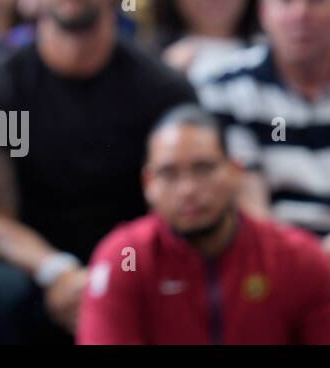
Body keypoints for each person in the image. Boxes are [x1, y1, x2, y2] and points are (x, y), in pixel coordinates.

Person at [0, 0, 196, 344]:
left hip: (136, 263)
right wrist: (57, 271)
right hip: (37, 269)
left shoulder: (162, 89)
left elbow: (179, 204)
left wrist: (110, 277)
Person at [79, 106, 330, 344]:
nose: (187, 189)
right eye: (169, 173)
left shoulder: (298, 258)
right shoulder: (124, 258)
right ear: (148, 183)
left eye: (203, 169)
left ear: (235, 172)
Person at [195, 0, 330, 242]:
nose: (301, 14)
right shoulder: (224, 88)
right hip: (271, 264)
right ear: (264, 11)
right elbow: (248, 204)